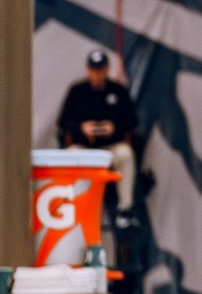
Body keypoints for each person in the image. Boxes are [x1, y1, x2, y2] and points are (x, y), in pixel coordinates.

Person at [56, 49, 140, 214]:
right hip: (84, 148)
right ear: (88, 70)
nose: (97, 74)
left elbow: (132, 121)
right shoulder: (77, 91)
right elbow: (63, 122)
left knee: (126, 154)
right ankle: (70, 206)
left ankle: (125, 209)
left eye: (101, 69)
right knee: (70, 155)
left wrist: (114, 127)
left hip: (110, 148)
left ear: (107, 69)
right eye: (94, 70)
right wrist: (82, 127)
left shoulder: (118, 91)